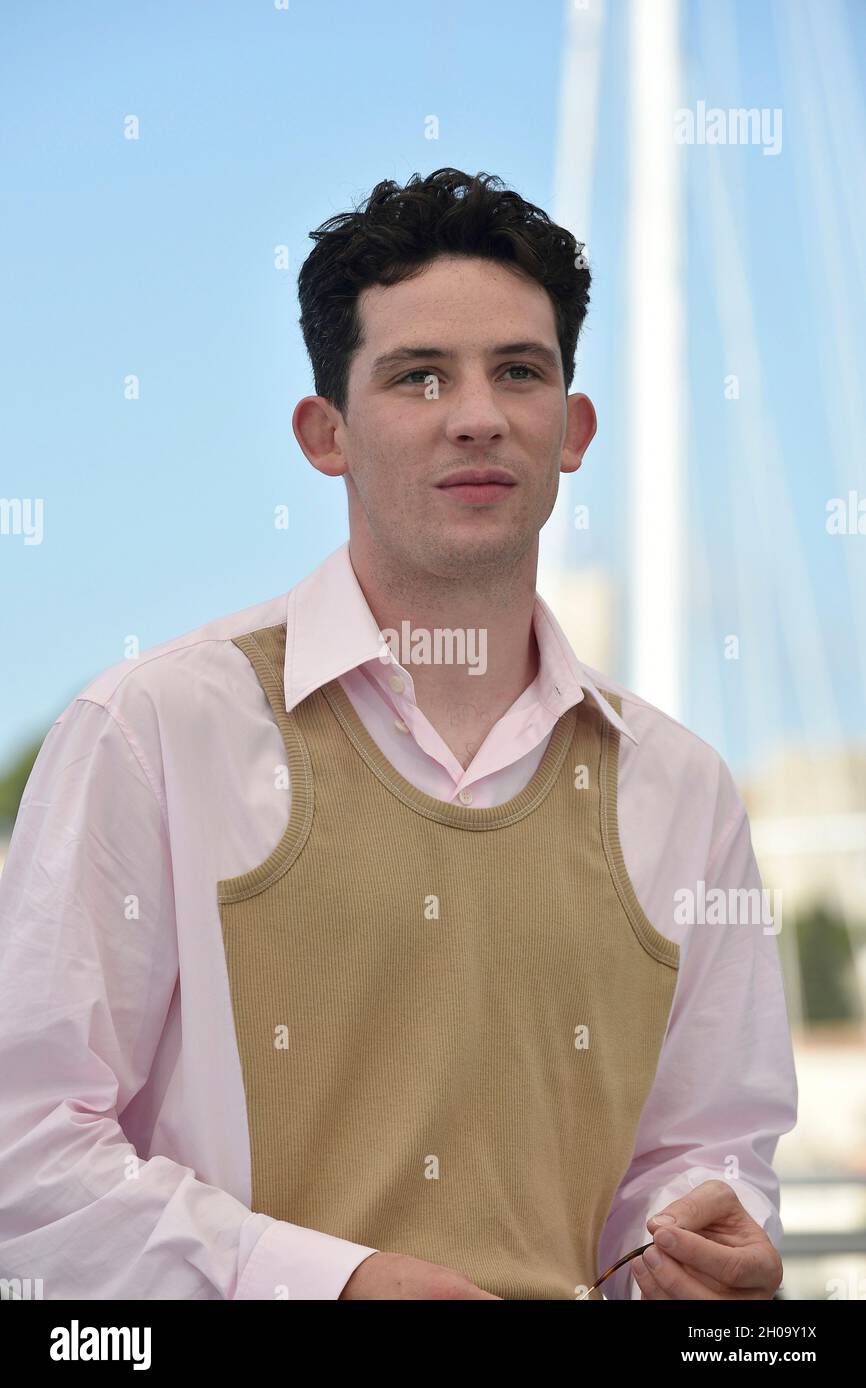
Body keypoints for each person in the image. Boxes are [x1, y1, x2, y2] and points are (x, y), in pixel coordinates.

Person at [0, 168, 796, 1301]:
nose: (476, 412)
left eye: (517, 371)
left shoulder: (682, 787)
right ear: (323, 435)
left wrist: (708, 1242)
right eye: (418, 376)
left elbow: (705, 1151)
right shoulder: (153, 729)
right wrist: (333, 1285)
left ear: (570, 429)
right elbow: (22, 1154)